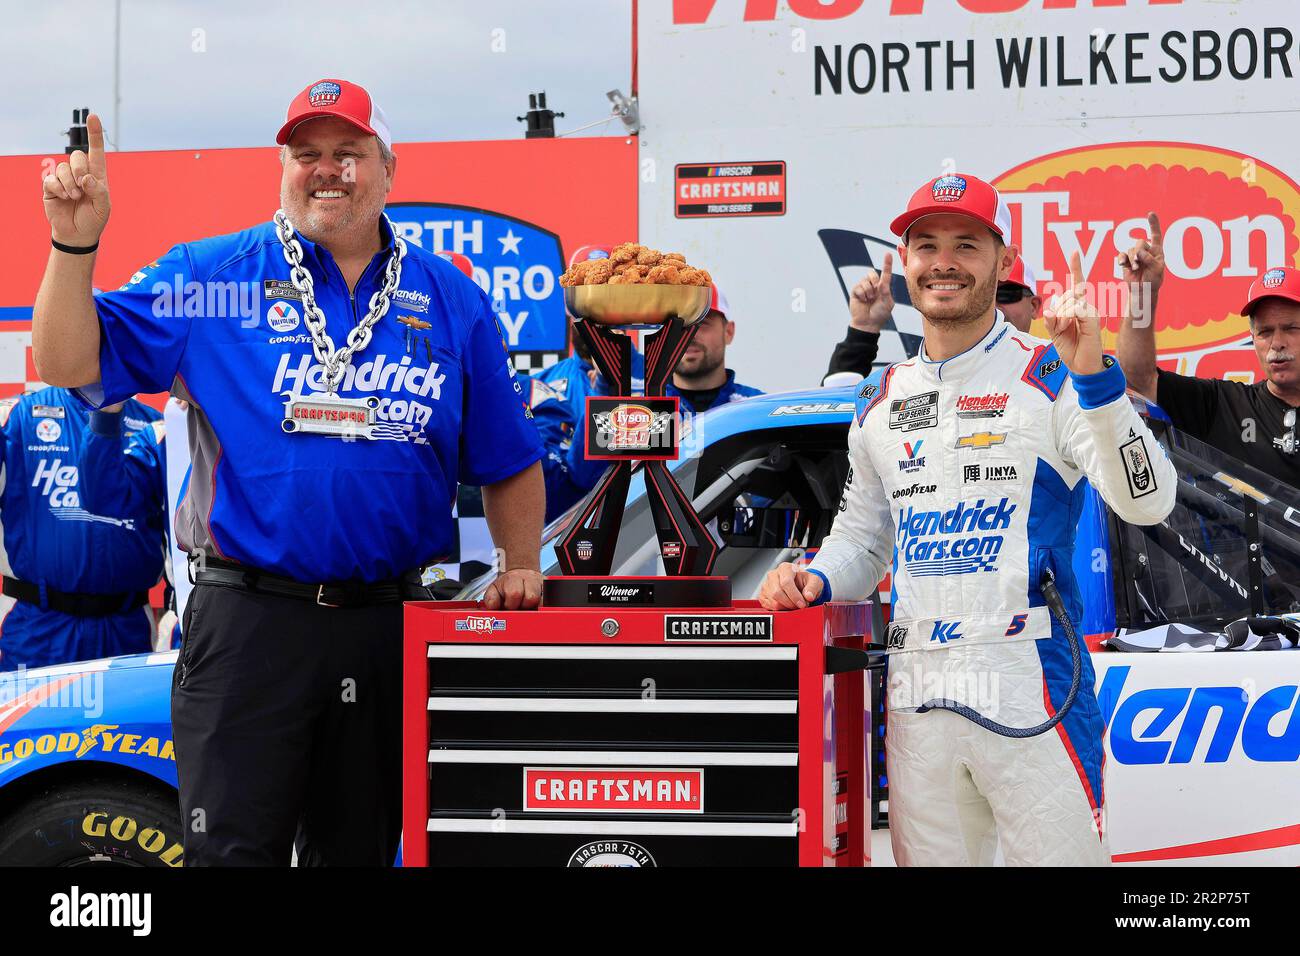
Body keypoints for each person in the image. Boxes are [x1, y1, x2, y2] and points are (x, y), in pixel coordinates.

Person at [33, 79, 545, 866]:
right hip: (251, 624)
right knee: (232, 854)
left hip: (385, 626)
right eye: (307, 153)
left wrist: (518, 565)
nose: (327, 170)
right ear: (283, 168)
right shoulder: (214, 275)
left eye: (349, 153)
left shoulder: (452, 300)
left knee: (360, 855)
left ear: (388, 172)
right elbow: (70, 360)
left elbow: (508, 458)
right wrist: (74, 247)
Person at [760, 173, 1176, 866]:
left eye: (966, 244)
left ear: (1003, 262)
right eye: (926, 245)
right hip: (919, 686)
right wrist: (815, 580)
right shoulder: (880, 397)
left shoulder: (1051, 373)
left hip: (1031, 677)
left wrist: (1098, 381)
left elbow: (1148, 502)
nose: (943, 261)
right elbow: (862, 539)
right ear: (907, 263)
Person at [1116, 213, 1300, 487]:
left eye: (1290, 328)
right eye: (1264, 332)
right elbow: (1137, 379)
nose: (1277, 343)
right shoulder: (1225, 406)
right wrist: (1142, 296)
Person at [0, 386, 164, 671]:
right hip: (36, 630)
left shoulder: (155, 429)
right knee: (39, 717)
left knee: (126, 717)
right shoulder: (17, 418)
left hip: (127, 629)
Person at [824, 252, 1043, 384]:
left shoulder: (1059, 373)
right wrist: (863, 328)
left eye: (1005, 294)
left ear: (1034, 306)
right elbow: (833, 414)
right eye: (985, 293)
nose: (992, 305)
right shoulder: (920, 376)